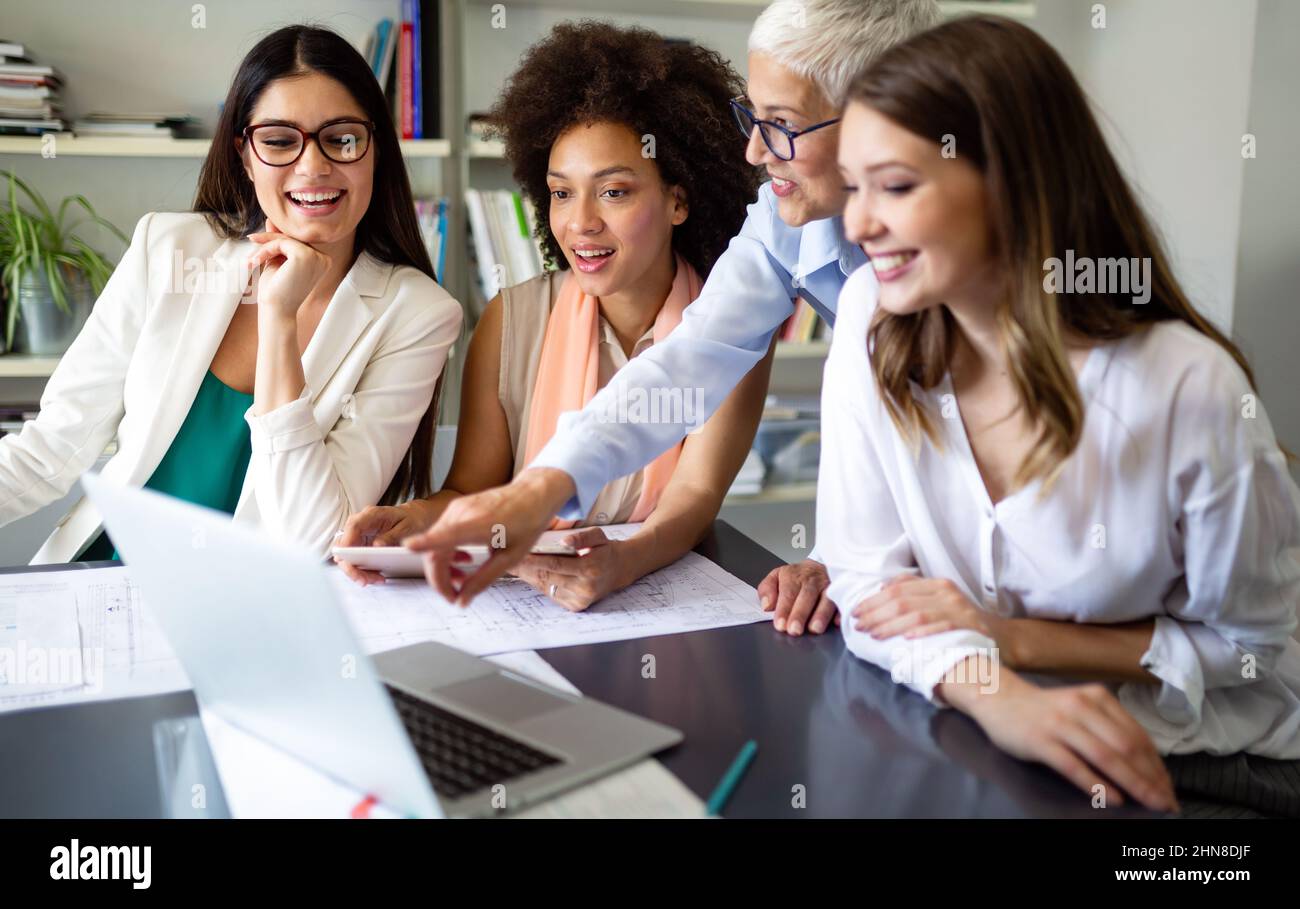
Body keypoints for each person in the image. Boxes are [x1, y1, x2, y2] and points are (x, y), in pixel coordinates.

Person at [824, 15, 1300, 814]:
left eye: (896, 186)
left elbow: (1250, 650)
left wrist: (1012, 639)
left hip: (1208, 762)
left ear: (1011, 180)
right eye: (853, 186)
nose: (857, 223)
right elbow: (867, 583)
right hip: (1005, 735)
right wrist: (996, 690)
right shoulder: (871, 317)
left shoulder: (1190, 390)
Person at [402, 0, 942, 634]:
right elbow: (685, 364)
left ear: (880, 124)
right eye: (753, 118)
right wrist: (537, 491)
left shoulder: (961, 266)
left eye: (781, 124)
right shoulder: (785, 229)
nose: (755, 153)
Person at [335, 22, 770, 611]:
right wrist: (409, 520)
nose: (580, 222)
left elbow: (692, 501)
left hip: (662, 608)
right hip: (530, 608)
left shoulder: (734, 330)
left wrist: (622, 564)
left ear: (678, 199)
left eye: (613, 192)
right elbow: (471, 491)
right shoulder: (511, 320)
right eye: (561, 193)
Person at [0, 25, 462, 562]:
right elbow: (51, 448)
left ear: (375, 150)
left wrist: (280, 317)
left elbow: (312, 537)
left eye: (341, 138)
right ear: (245, 154)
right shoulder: (167, 249)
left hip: (257, 608)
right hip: (106, 581)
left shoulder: (417, 314)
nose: (312, 166)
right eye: (279, 140)